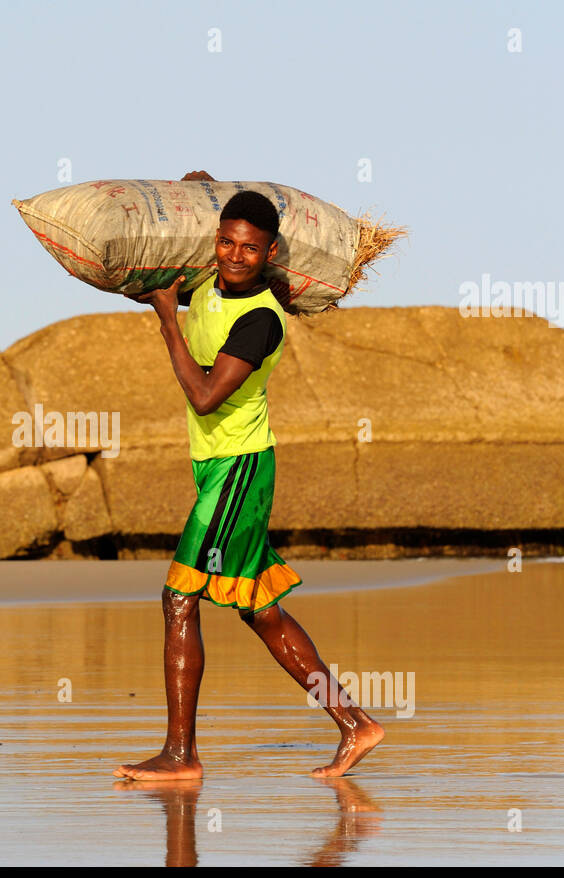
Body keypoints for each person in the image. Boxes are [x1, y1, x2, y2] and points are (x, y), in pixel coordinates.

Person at [114, 188, 384, 780]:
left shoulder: (261, 318)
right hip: (216, 466)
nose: (236, 256)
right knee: (261, 611)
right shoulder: (207, 283)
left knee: (179, 598)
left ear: (269, 253)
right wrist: (195, 188)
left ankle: (180, 756)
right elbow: (196, 206)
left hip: (239, 469)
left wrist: (166, 320)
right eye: (227, 242)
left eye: (251, 249)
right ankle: (356, 726)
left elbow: (205, 394)